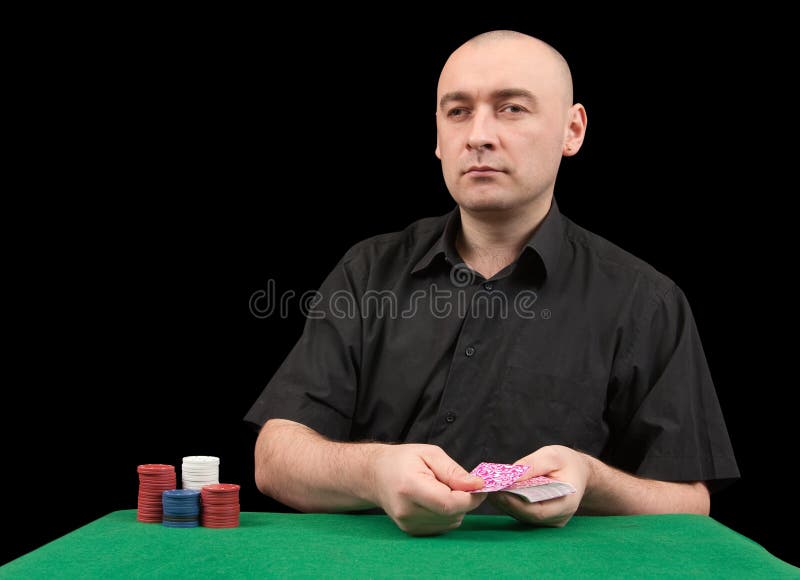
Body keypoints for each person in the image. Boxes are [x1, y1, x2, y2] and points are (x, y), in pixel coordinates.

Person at [244, 30, 739, 536]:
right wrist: (372, 473)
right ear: (437, 137)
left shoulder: (645, 301)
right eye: (457, 111)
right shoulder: (366, 271)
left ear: (573, 130)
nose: (478, 135)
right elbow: (276, 456)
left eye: (512, 109)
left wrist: (591, 480)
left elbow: (688, 504)